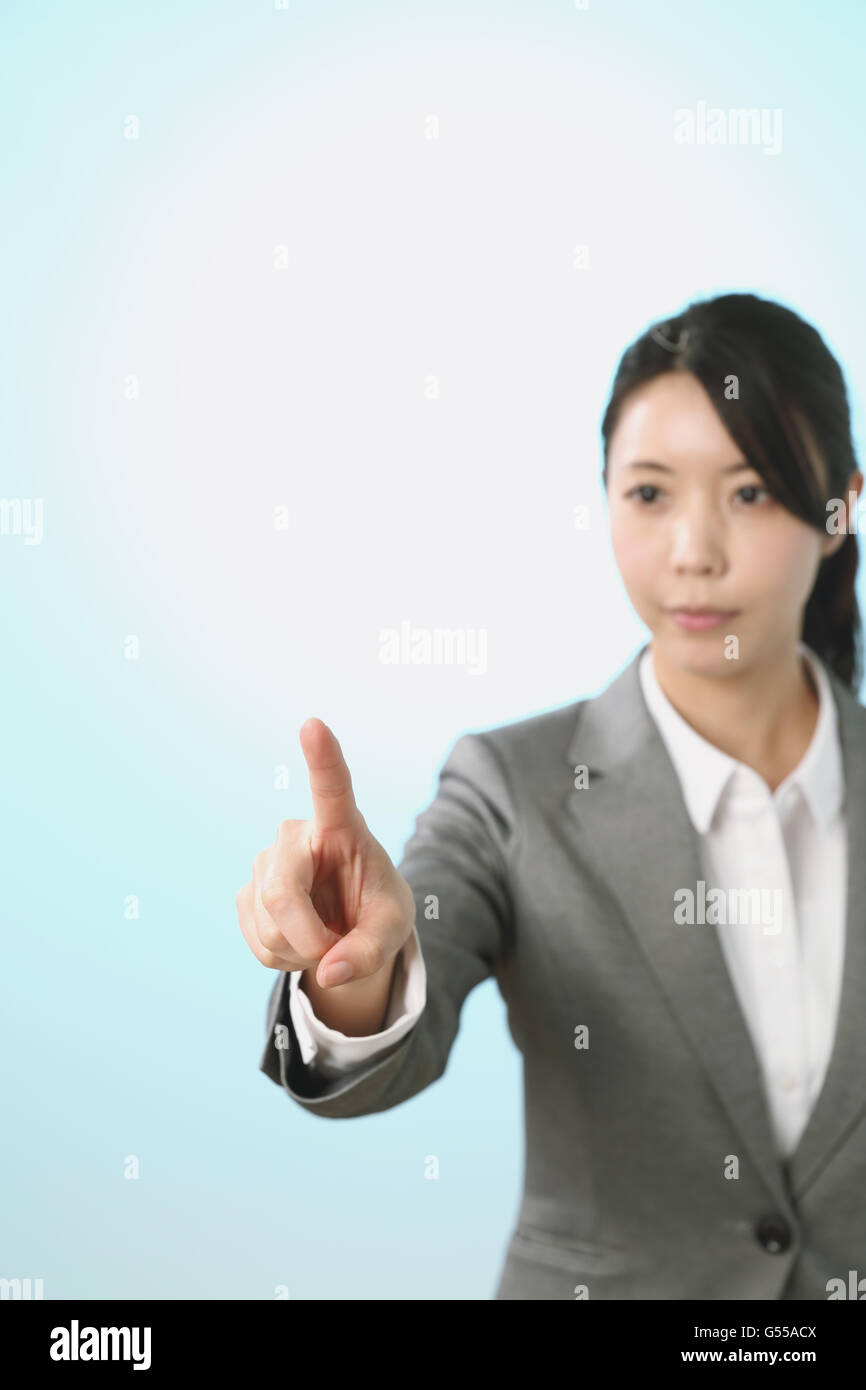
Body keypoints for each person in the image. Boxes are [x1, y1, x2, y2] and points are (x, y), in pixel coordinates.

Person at [237, 292, 866, 1299]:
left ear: (838, 509)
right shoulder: (512, 786)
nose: (692, 551)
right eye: (649, 494)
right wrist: (354, 966)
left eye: (748, 492)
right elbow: (410, 991)